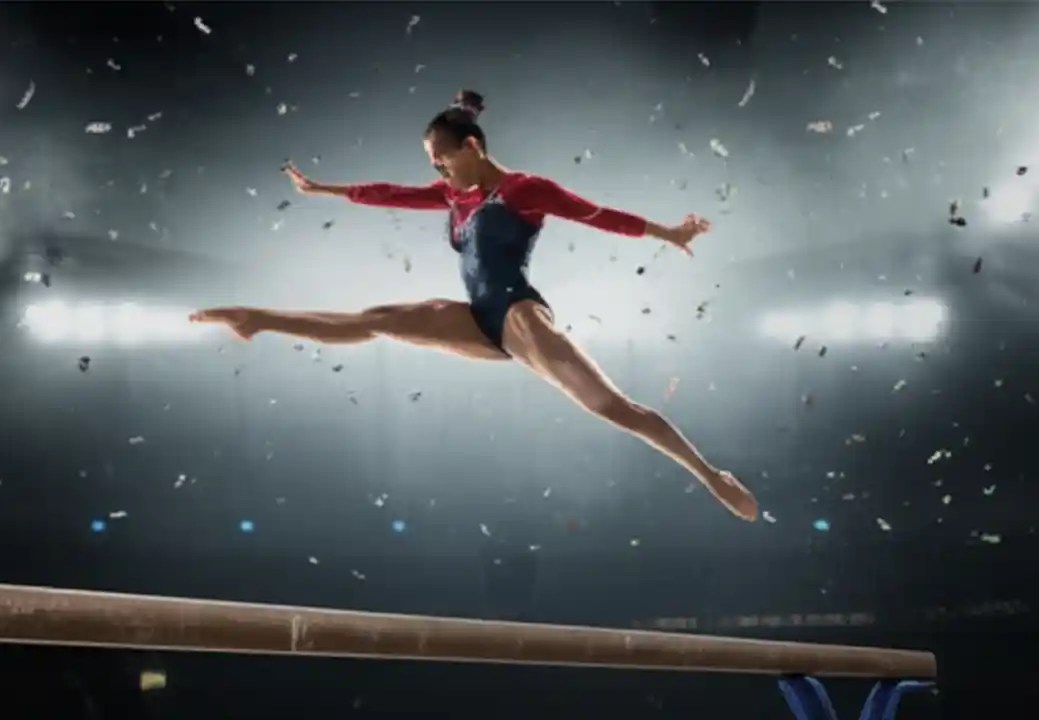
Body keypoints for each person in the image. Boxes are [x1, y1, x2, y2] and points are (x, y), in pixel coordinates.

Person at [192, 90, 758, 521]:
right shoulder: (451, 194)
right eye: (431, 161)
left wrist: (668, 233)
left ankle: (711, 474)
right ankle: (257, 319)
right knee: (380, 320)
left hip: (519, 313)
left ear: (472, 147)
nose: (436, 169)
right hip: (478, 317)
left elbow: (598, 214)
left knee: (611, 406)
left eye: (441, 158)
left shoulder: (524, 190)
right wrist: (324, 190)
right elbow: (389, 193)